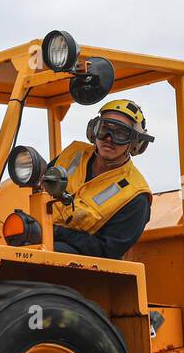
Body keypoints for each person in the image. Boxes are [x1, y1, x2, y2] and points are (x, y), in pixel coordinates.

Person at [50, 98, 153, 259]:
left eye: (120, 133)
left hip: (81, 266)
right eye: (104, 128)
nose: (109, 138)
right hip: (38, 239)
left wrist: (56, 232)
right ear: (93, 129)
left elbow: (107, 250)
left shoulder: (136, 195)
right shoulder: (72, 154)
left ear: (135, 142)